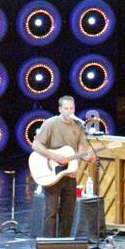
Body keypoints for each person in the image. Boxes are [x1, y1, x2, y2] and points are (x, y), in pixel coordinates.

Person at [31, 95, 91, 237]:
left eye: (71, 108)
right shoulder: (51, 123)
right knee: (51, 212)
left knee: (68, 212)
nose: (69, 111)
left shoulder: (78, 126)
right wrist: (54, 156)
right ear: (60, 109)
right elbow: (36, 145)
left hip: (69, 174)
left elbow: (82, 148)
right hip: (52, 175)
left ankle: (64, 243)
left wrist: (87, 156)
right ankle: (49, 244)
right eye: (66, 108)